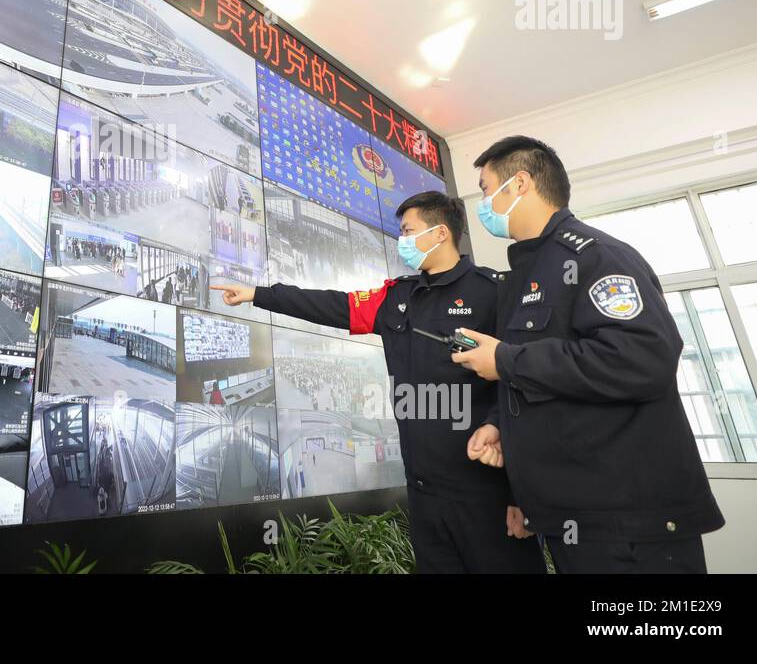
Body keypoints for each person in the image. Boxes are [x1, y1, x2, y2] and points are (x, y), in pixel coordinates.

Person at [213, 190, 543, 574]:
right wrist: (258, 294)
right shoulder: (398, 298)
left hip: (487, 492)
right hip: (424, 494)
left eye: (408, 230)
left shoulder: (493, 293)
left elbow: (522, 386)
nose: (402, 240)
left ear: (439, 233)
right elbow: (333, 306)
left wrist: (523, 496)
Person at [453, 136, 724, 573]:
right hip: (571, 519)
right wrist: (500, 428)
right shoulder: (523, 277)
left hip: (628, 526)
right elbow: (547, 383)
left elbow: (642, 358)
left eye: (485, 189)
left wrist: (505, 361)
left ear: (519, 183)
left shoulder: (596, 256)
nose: (481, 203)